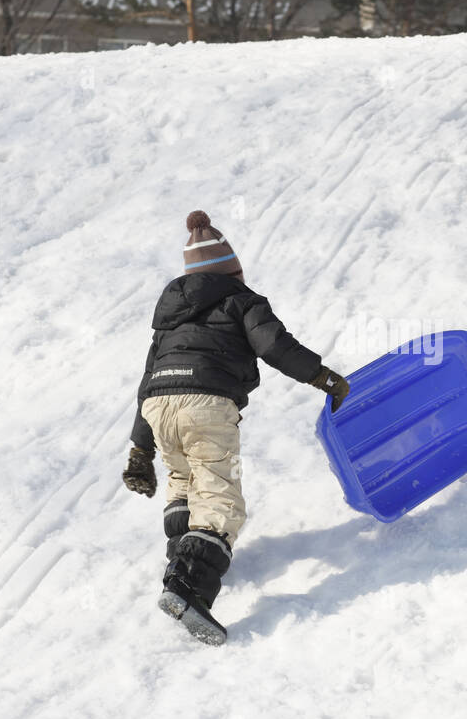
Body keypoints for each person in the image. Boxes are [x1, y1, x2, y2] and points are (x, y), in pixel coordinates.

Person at [121, 210, 349, 644]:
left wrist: (139, 449)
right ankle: (188, 588)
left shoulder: (169, 318)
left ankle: (180, 555)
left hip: (158, 406)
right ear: (232, 270)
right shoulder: (242, 300)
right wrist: (324, 378)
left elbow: (148, 380)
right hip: (206, 403)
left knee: (183, 480)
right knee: (220, 495)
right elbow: (274, 345)